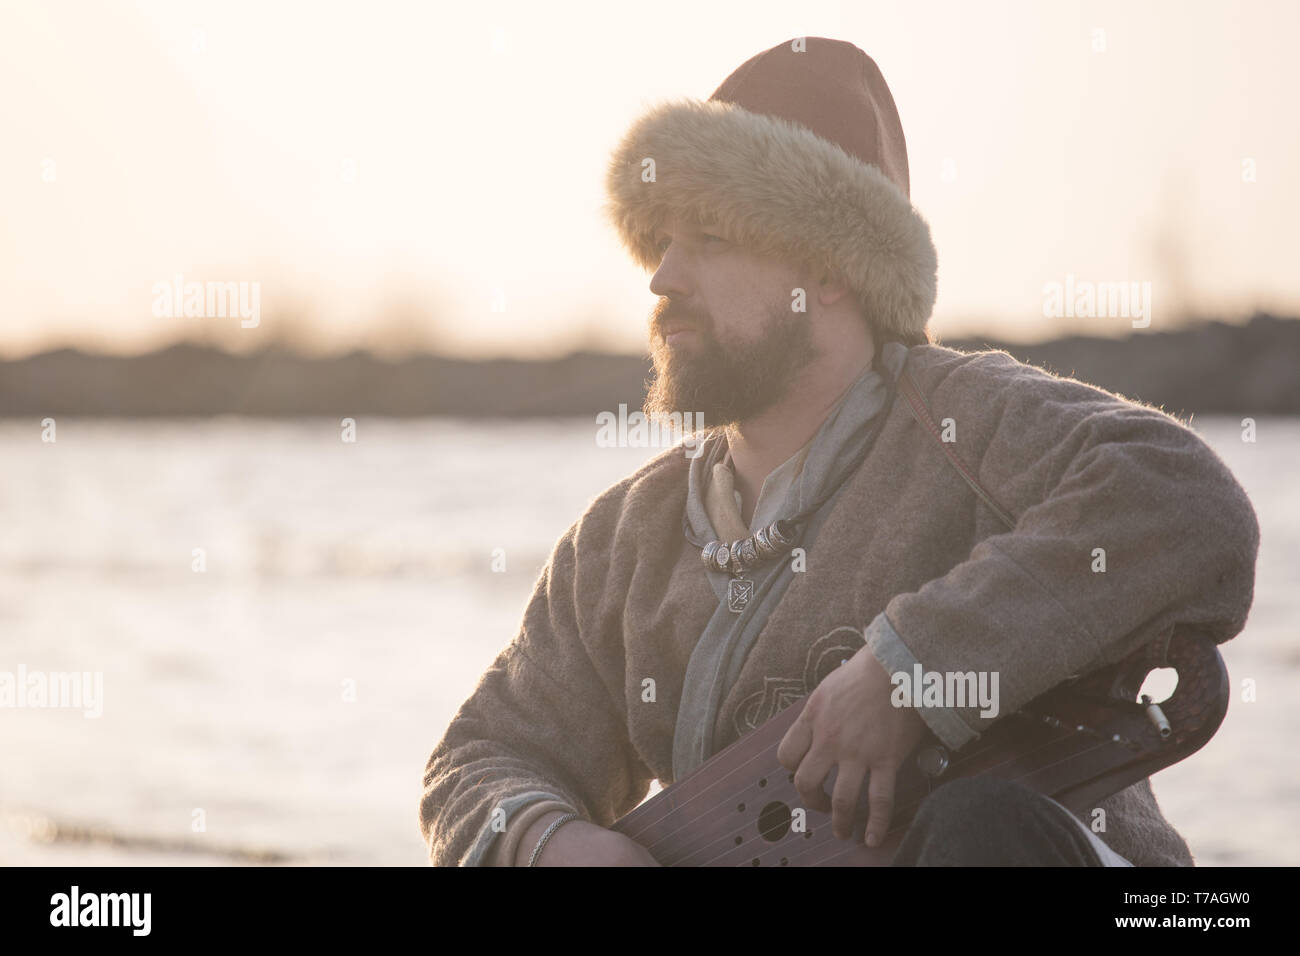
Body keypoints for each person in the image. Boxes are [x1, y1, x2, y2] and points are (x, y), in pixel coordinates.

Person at [418, 37, 1260, 866]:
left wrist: (914, 670)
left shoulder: (970, 421)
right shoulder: (622, 542)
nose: (663, 277)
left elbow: (1186, 502)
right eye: (661, 241)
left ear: (831, 266)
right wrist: (549, 843)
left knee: (982, 825)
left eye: (709, 237)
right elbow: (482, 755)